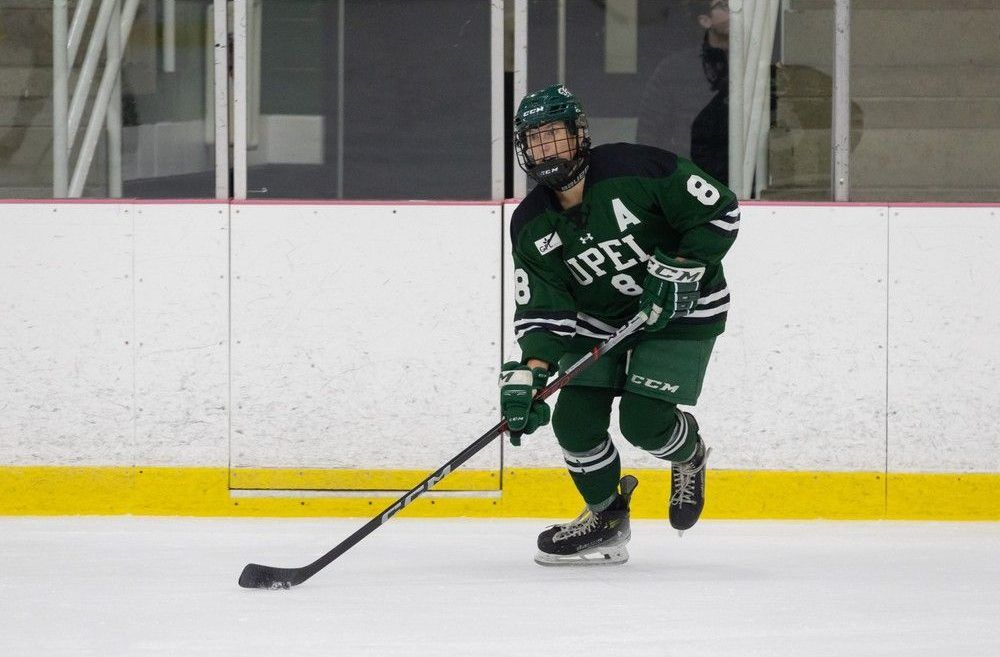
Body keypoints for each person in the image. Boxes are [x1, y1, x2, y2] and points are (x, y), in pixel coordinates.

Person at [501, 84, 739, 566]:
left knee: (643, 422)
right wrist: (531, 371)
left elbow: (720, 211)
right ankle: (607, 519)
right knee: (573, 422)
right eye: (535, 140)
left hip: (681, 308)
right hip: (598, 320)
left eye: (555, 136)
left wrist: (681, 266)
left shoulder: (638, 169)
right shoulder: (531, 224)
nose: (547, 149)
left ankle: (688, 451)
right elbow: (544, 307)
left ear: (579, 135)